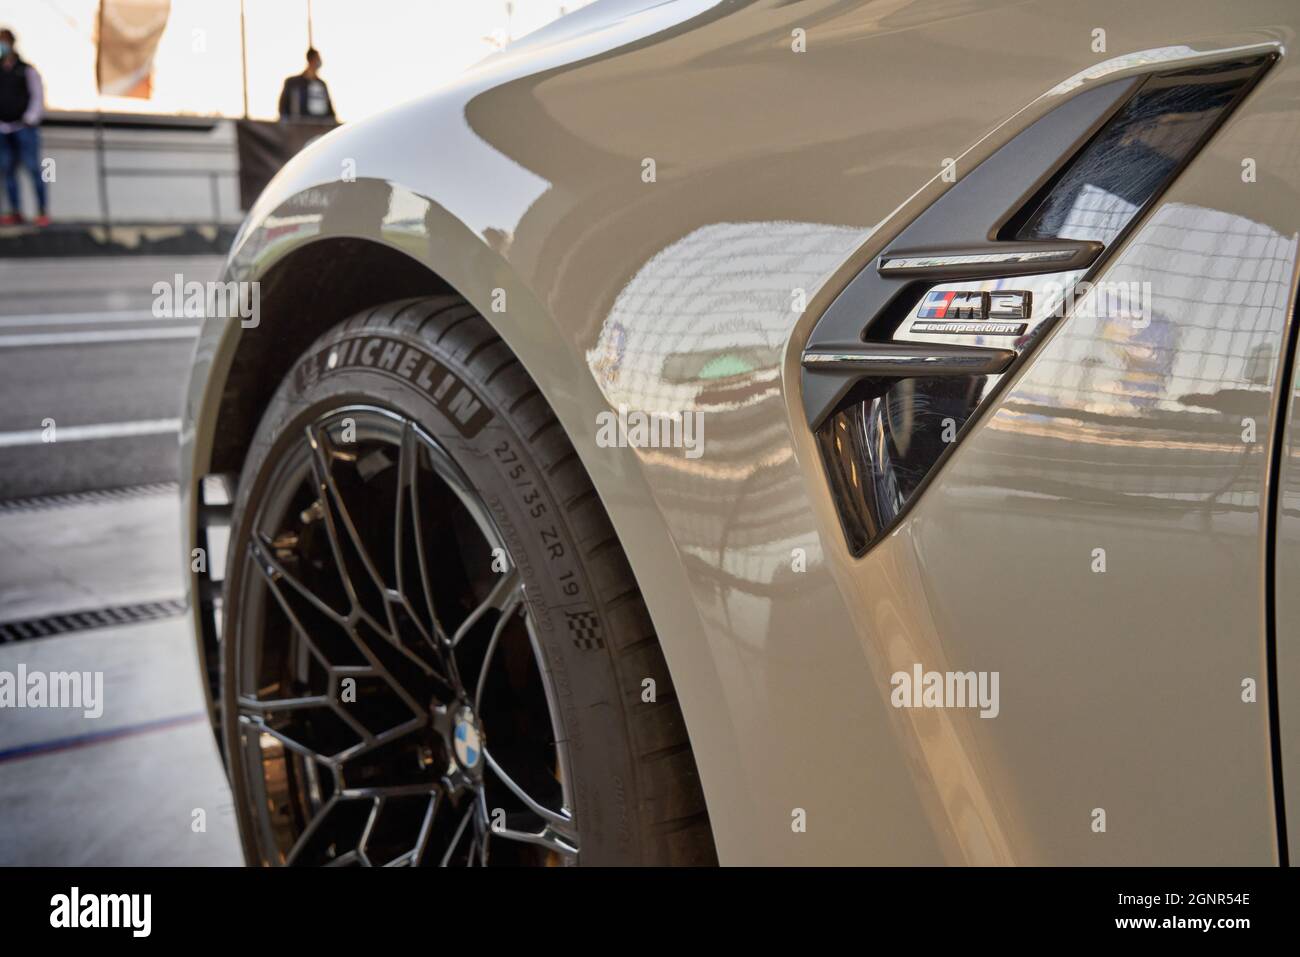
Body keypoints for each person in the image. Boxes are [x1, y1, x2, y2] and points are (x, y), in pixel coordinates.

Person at [0, 28, 48, 226]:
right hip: (3, 129)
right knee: (7, 170)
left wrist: (30, 118)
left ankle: (42, 211)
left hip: (25, 128)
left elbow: (38, 97)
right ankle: (15, 211)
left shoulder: (26, 70)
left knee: (34, 169)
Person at [278, 48, 336, 122]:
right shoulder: (293, 82)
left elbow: (329, 108)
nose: (319, 62)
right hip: (300, 126)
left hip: (321, 126)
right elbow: (283, 107)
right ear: (311, 60)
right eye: (318, 59)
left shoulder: (322, 84)